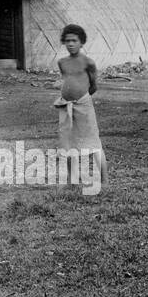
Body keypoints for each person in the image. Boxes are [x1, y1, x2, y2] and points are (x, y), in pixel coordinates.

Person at [53, 23, 107, 190]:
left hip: (83, 105)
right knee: (69, 143)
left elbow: (93, 85)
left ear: (81, 42)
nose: (70, 44)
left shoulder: (88, 62)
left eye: (74, 40)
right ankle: (73, 180)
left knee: (93, 143)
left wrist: (80, 97)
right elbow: (66, 79)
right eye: (67, 40)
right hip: (67, 106)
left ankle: (104, 180)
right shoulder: (62, 62)